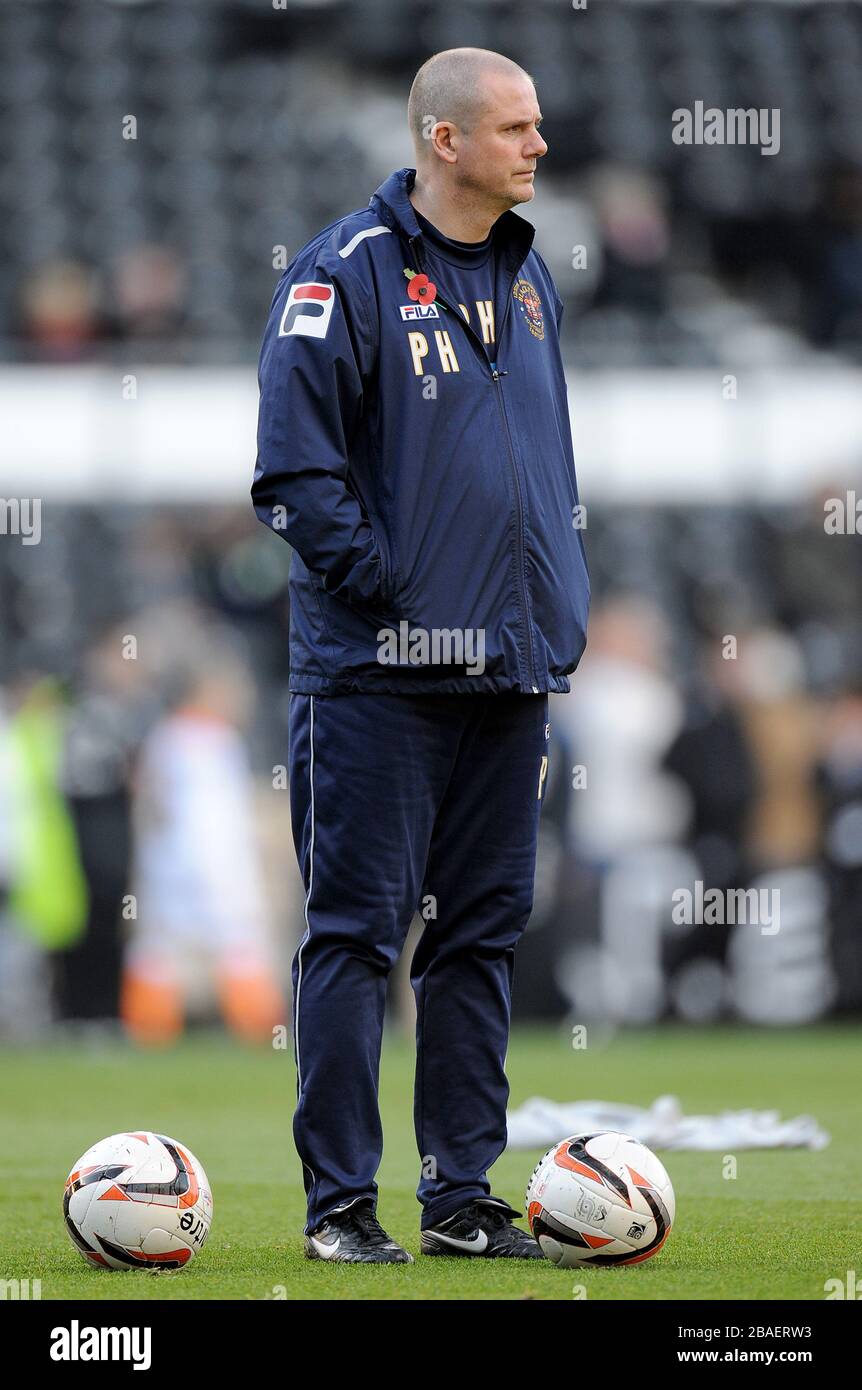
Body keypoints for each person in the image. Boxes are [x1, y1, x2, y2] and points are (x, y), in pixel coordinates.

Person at [253, 47, 590, 1263]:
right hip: (379, 678)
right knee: (353, 935)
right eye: (514, 127)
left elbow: (524, 474)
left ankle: (460, 1199)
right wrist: (397, 593)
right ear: (443, 140)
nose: (537, 145)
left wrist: (547, 600)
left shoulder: (529, 274)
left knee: (480, 939)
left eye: (537, 125)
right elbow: (292, 480)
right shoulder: (340, 273)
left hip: (509, 670)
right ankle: (342, 1206)